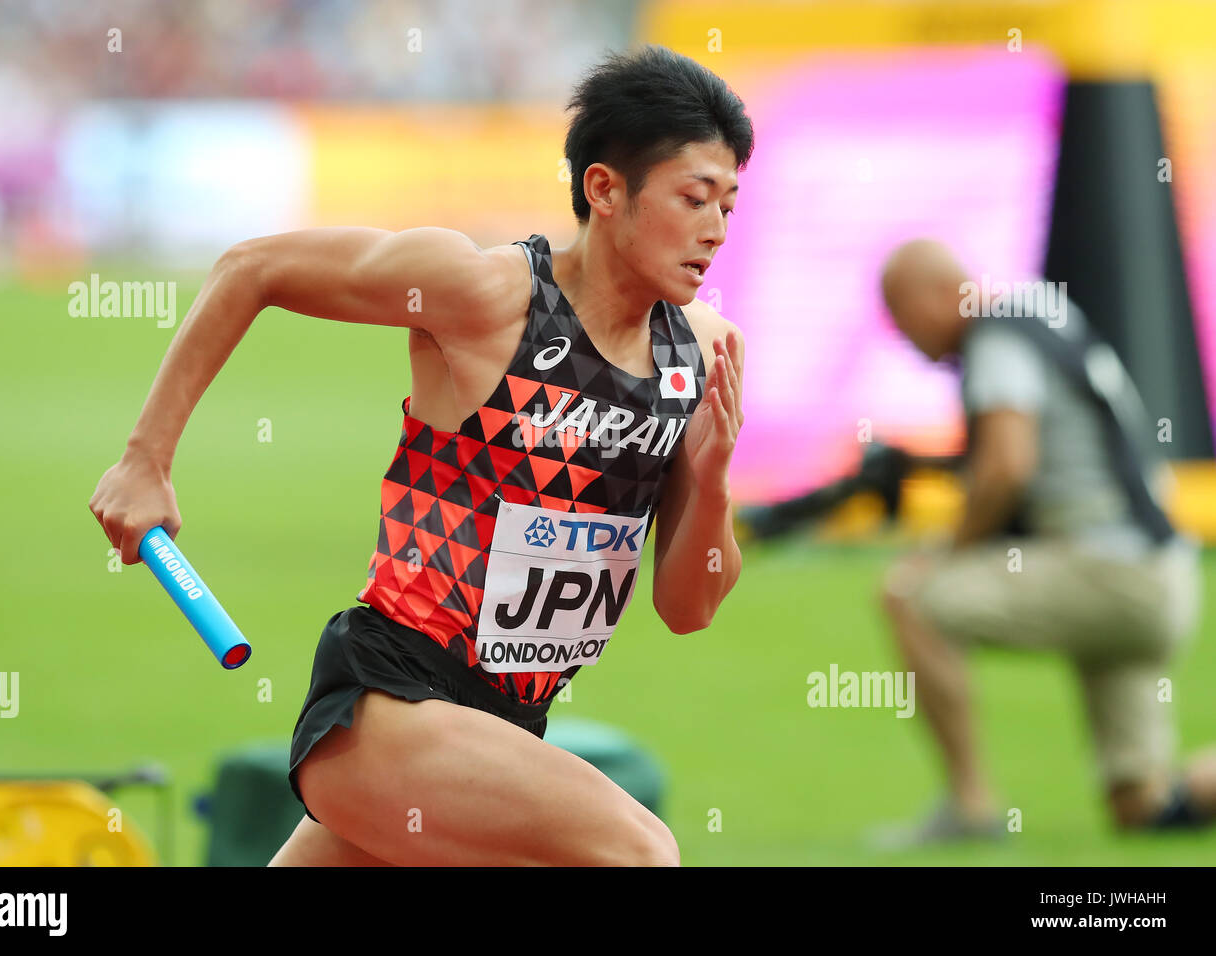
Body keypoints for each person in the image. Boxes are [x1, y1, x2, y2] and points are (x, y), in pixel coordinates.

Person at [88, 45, 752, 866]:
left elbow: (688, 609)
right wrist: (145, 459)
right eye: (694, 198)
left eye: (729, 205)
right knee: (640, 853)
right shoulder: (483, 295)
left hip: (499, 730)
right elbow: (252, 269)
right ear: (605, 189)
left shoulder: (704, 356)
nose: (716, 230)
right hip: (390, 703)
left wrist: (713, 484)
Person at [873, 238, 1216, 847]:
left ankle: (970, 806)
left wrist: (946, 552)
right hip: (1161, 570)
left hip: (1107, 572)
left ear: (939, 294)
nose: (907, 341)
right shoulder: (1040, 308)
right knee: (1145, 806)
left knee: (911, 597)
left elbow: (1008, 467)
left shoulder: (993, 340)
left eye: (902, 318)